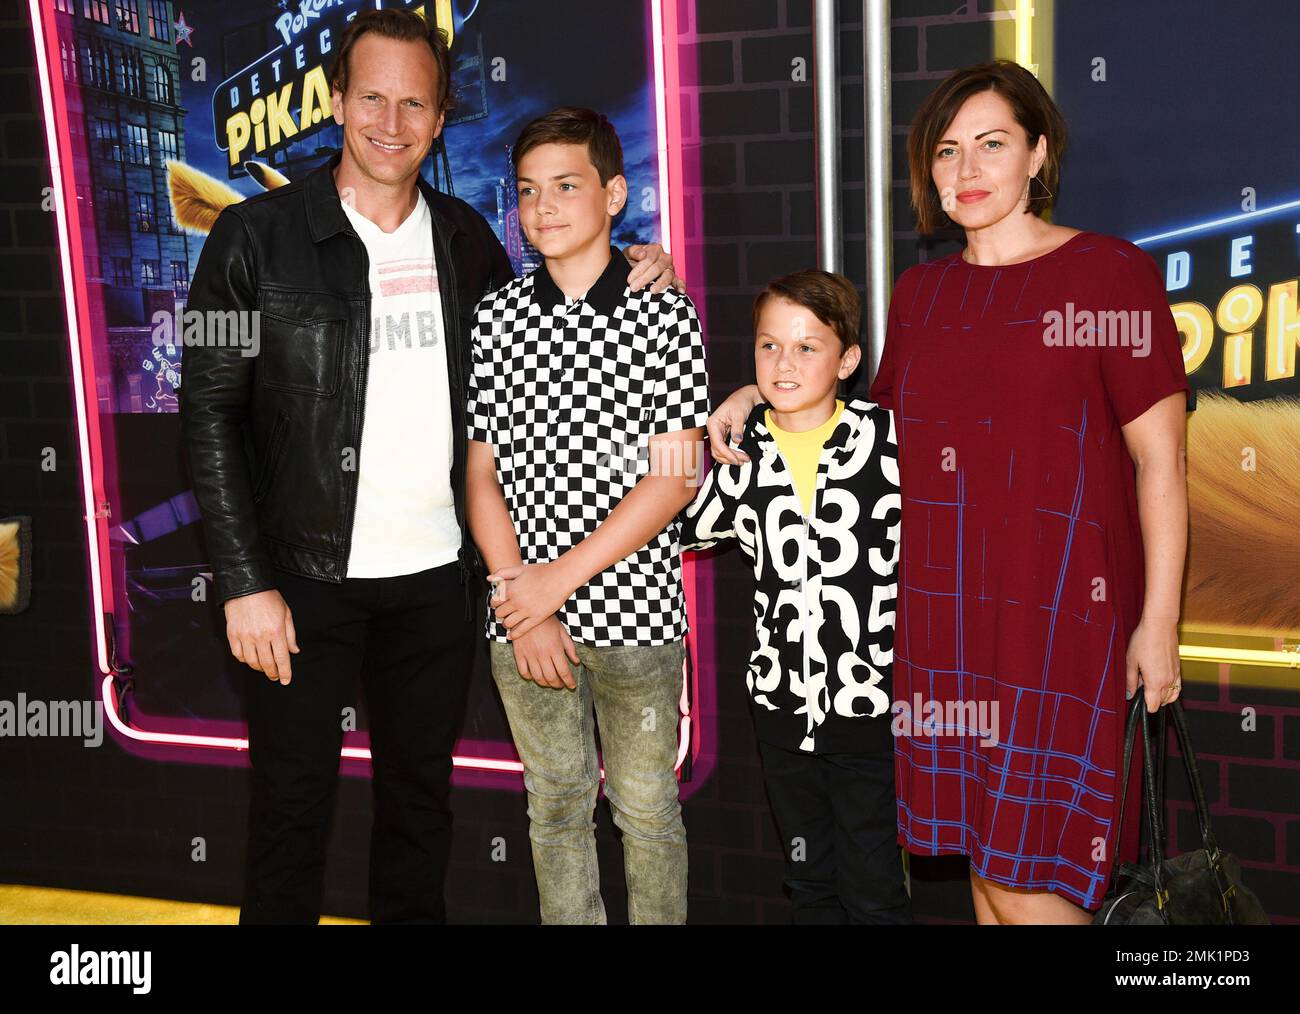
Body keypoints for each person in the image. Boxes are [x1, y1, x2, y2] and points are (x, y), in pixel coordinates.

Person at [180, 9, 680, 925]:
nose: (392, 121)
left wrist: (644, 269)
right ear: (336, 101)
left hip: (436, 587)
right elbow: (208, 413)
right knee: (290, 817)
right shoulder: (253, 237)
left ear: (441, 116)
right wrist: (245, 582)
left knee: (420, 815)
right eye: (372, 97)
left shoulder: (469, 242)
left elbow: (557, 322)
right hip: (298, 584)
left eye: (415, 102)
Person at [706, 59, 1190, 924]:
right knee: (982, 870)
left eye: (992, 145)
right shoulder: (924, 294)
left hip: (1060, 626)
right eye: (946, 152)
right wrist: (757, 392)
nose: (965, 172)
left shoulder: (1108, 276)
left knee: (1025, 875)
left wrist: (1158, 623)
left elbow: (1163, 462)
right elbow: (866, 435)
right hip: (942, 632)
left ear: (1038, 153)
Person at [466, 107, 709, 924]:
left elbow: (676, 477)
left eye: (566, 186)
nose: (543, 208)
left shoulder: (664, 312)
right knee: (556, 811)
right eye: (528, 191)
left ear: (613, 194)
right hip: (521, 622)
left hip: (637, 618)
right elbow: (481, 475)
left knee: (645, 814)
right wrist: (518, 601)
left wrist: (551, 586)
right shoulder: (495, 319)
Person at [678, 269, 911, 924]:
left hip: (871, 704)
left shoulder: (890, 442)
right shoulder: (741, 456)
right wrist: (713, 424)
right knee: (809, 881)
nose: (784, 363)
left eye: (808, 347)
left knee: (874, 885)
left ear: (850, 359)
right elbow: (680, 529)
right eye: (768, 346)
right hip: (780, 703)